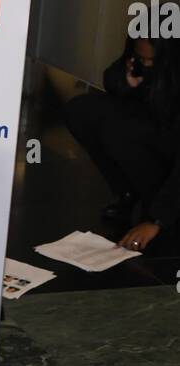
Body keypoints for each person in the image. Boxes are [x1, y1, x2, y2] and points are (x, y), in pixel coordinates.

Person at [65, 31, 180, 253]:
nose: (144, 65)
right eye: (140, 59)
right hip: (160, 129)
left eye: (151, 61)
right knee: (81, 110)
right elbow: (112, 78)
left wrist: (157, 221)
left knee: (119, 129)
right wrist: (127, 82)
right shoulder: (141, 56)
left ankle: (157, 203)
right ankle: (129, 192)